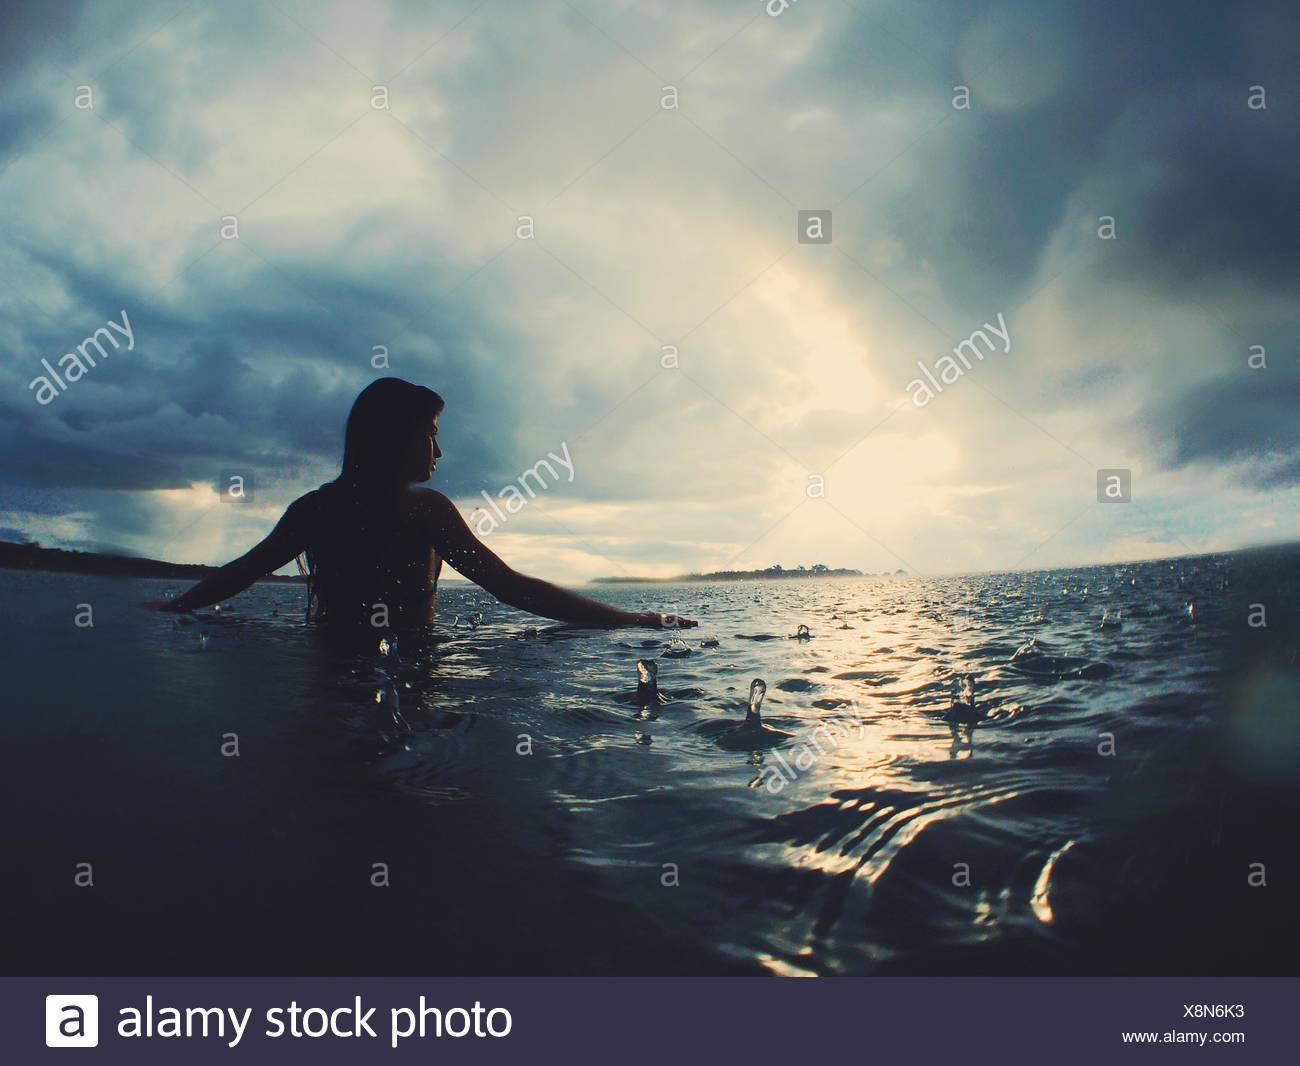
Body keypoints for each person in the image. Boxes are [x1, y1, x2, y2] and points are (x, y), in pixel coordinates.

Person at [143, 378, 694, 630]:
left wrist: (177, 609)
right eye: (430, 433)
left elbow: (239, 574)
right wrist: (633, 619)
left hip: (330, 678)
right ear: (391, 438)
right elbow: (513, 589)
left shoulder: (315, 511)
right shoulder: (423, 512)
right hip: (417, 676)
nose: (440, 449)